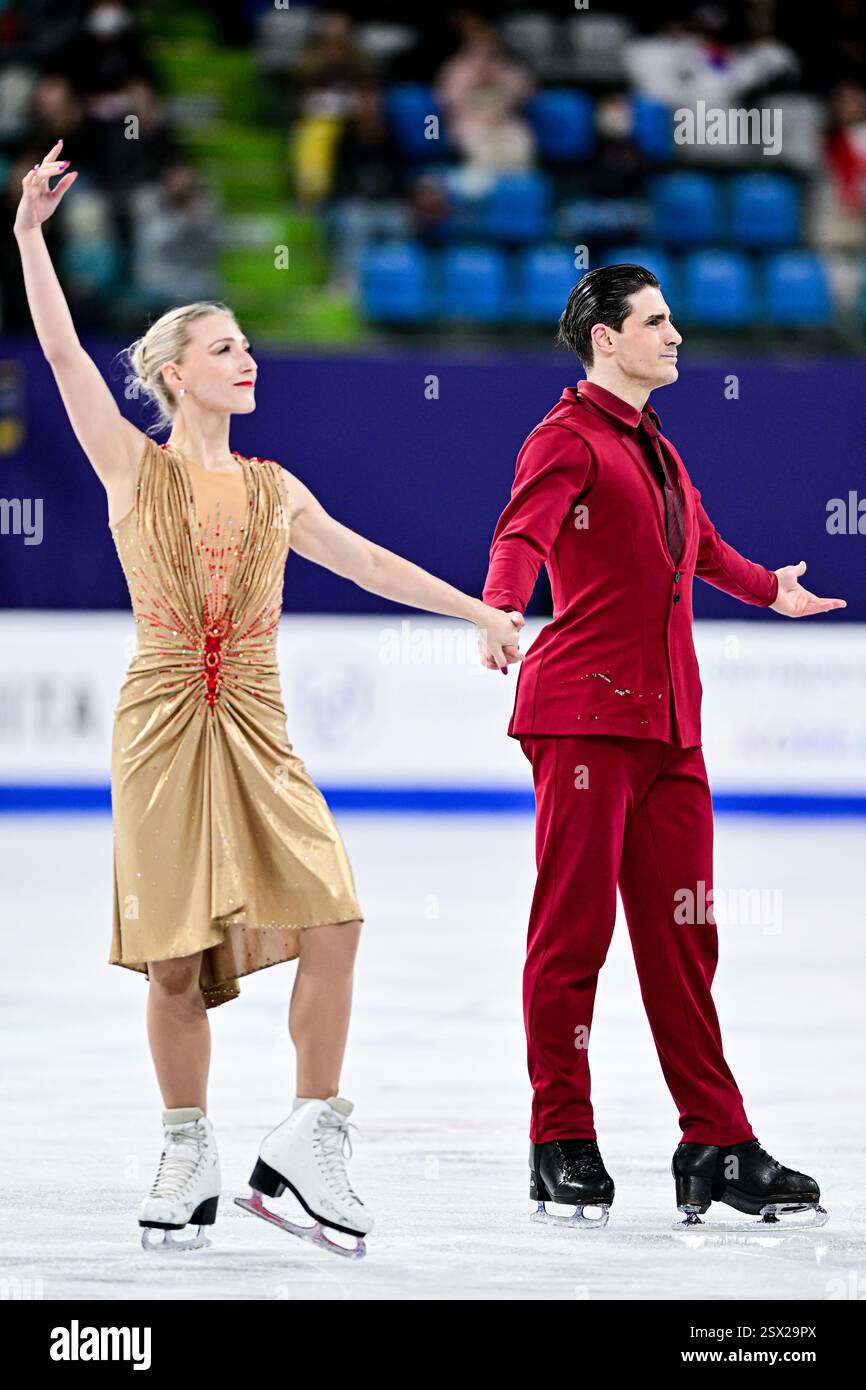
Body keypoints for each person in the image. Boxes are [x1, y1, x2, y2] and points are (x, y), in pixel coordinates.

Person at [13, 140, 522, 1258]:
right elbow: (56, 351)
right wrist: (27, 234)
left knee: (332, 914)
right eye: (226, 347)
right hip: (159, 721)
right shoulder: (128, 467)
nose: (249, 360)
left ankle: (308, 1133)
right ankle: (185, 1146)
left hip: (255, 715)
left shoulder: (274, 487)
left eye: (248, 346)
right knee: (172, 958)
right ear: (175, 372)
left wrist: (480, 614)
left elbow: (371, 564)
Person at [481, 263, 842, 1230]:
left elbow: (706, 550)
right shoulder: (564, 439)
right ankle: (560, 1138)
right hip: (585, 721)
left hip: (671, 732)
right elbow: (522, 533)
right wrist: (502, 608)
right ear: (606, 337)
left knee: (685, 939)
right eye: (656, 321)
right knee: (574, 937)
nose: (676, 335)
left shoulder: (657, 450)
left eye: (674, 320)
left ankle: (713, 1142)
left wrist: (774, 590)